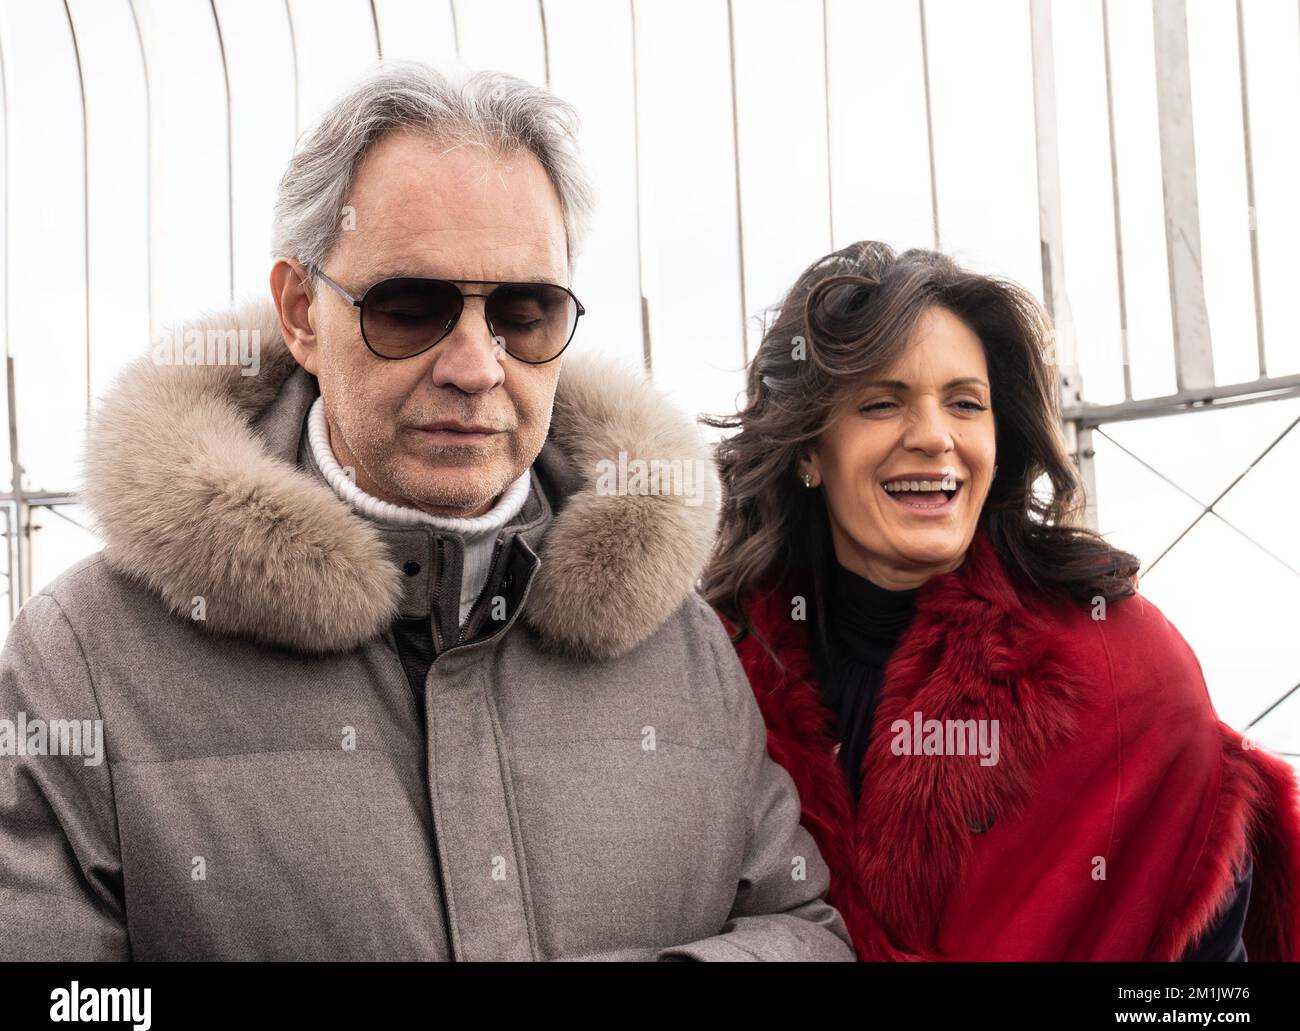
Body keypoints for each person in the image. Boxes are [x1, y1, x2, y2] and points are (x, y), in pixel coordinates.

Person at [0, 64, 853, 963]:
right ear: (301, 314)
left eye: (525, 312)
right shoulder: (86, 657)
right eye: (410, 309)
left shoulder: (678, 643)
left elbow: (805, 934)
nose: (475, 366)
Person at [703, 240, 1300, 961]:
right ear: (807, 451)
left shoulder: (1128, 671)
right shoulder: (714, 678)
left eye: (965, 403)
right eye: (883, 402)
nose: (934, 437)